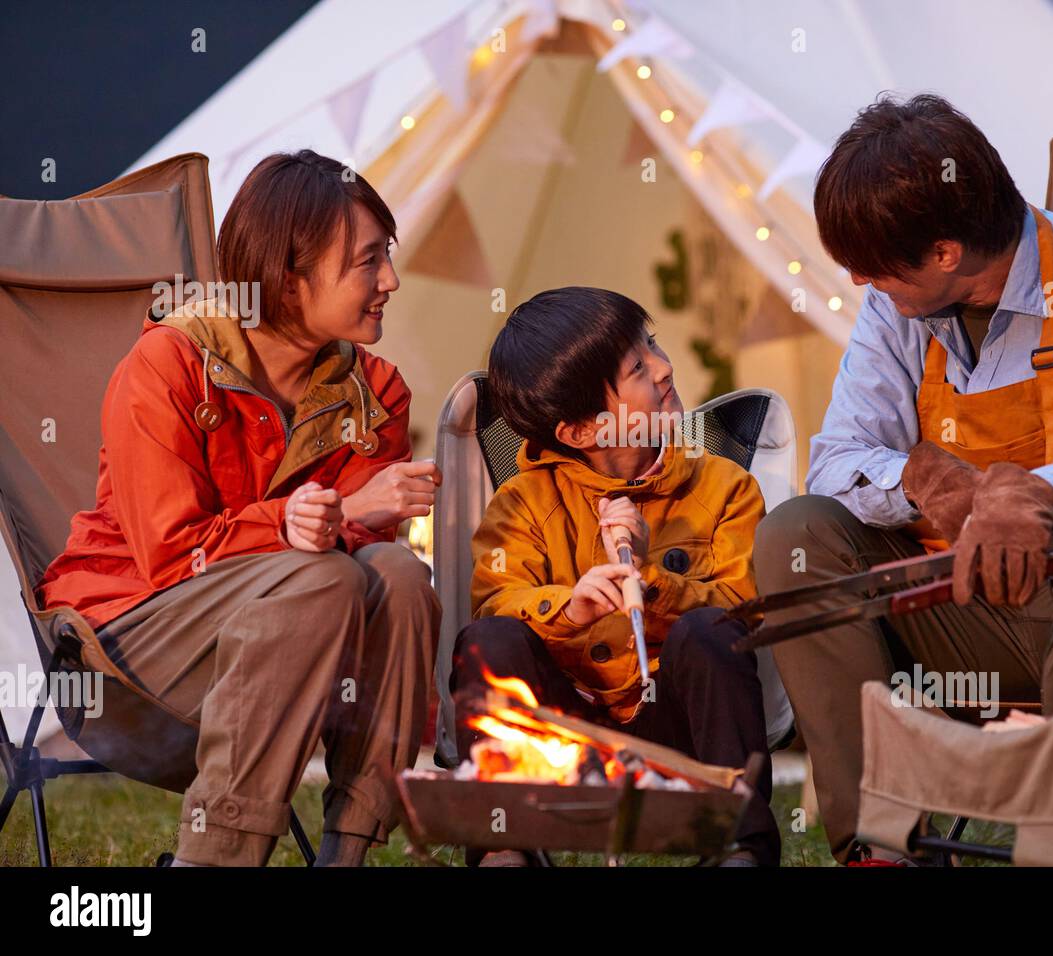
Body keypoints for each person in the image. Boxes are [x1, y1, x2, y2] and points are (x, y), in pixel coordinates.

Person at [753, 94, 1053, 864]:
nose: (857, 281)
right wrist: (921, 475)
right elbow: (839, 459)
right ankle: (877, 849)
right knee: (796, 533)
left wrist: (1044, 493)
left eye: (875, 267)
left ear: (946, 252)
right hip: (974, 606)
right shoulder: (899, 308)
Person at [38, 150, 440, 867]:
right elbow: (168, 551)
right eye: (367, 262)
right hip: (131, 642)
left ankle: (347, 852)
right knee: (325, 578)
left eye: (389, 256)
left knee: (401, 576)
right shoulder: (168, 365)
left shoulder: (375, 394)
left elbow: (366, 546)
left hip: (297, 645)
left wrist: (345, 518)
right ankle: (212, 860)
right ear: (289, 279)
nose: (391, 281)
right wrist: (318, 515)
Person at [450, 286, 780, 866]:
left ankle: (740, 846)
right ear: (581, 431)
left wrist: (652, 580)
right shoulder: (521, 503)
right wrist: (569, 609)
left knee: (713, 630)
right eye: (636, 366)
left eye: (650, 345)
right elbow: (495, 603)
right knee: (488, 641)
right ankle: (503, 847)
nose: (664, 365)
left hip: (675, 729)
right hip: (564, 731)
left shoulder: (724, 486)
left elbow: (744, 607)